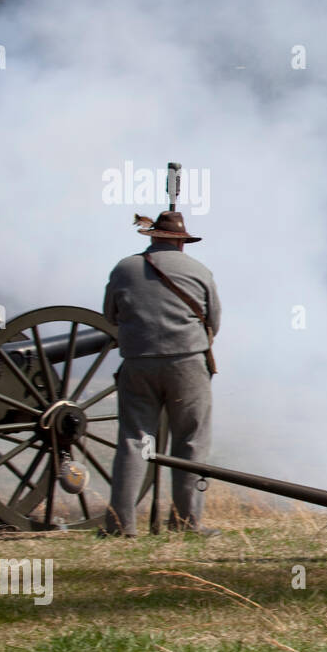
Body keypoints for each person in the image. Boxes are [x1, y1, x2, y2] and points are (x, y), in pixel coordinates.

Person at [103, 211, 221, 537]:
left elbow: (109, 315)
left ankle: (120, 525)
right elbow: (214, 321)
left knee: (133, 441)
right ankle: (186, 524)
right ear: (182, 243)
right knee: (192, 442)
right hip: (188, 364)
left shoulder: (124, 269)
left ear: (153, 237)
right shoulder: (199, 271)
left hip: (138, 362)